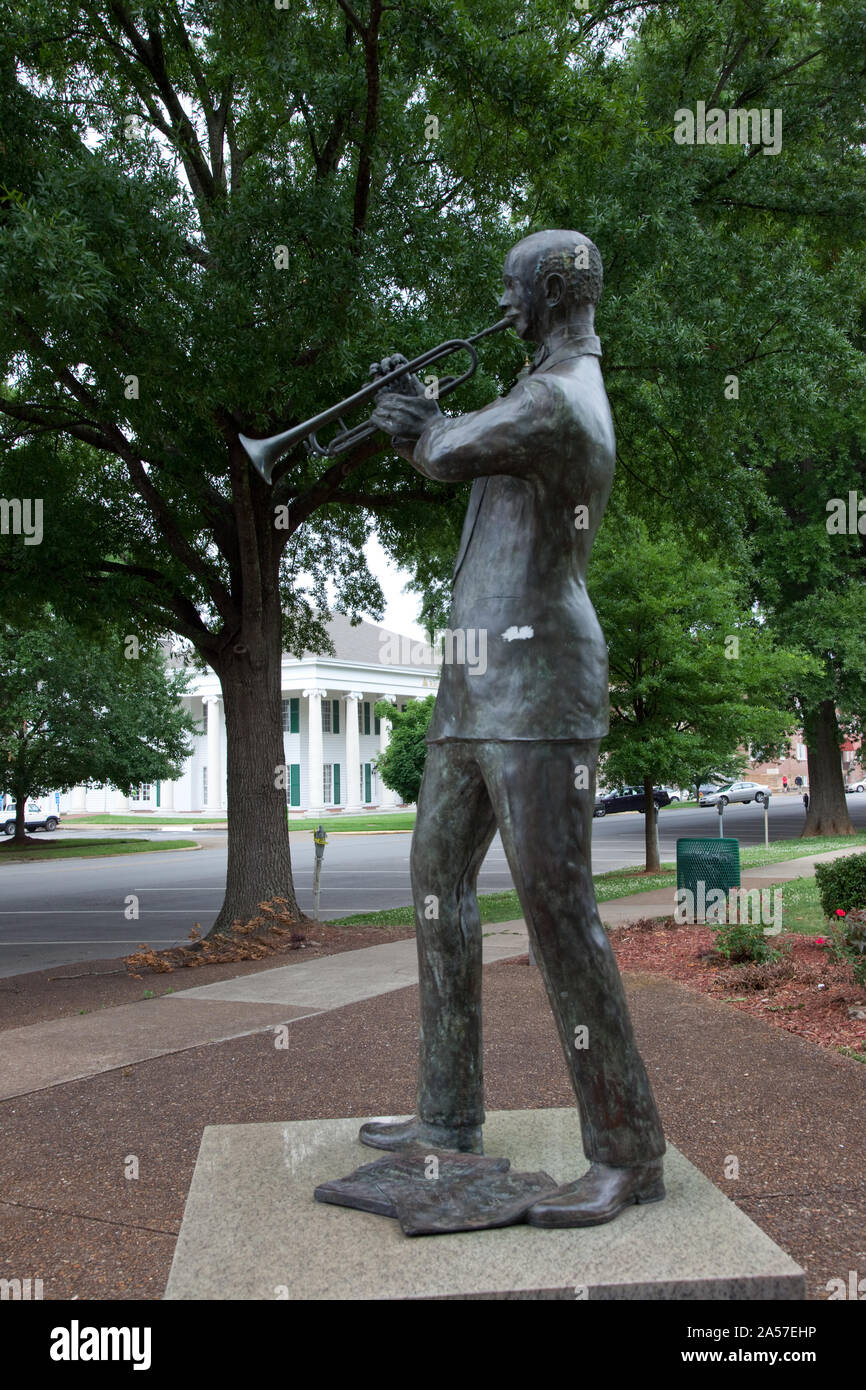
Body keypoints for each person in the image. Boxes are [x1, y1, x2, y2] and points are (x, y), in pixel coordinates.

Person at [360, 230, 666, 1228]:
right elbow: (465, 445)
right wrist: (427, 417)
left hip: (540, 685)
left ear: (543, 293)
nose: (499, 300)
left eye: (509, 286)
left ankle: (625, 1152)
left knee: (556, 914)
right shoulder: (525, 390)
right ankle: (445, 1120)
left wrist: (411, 419)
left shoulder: (559, 397)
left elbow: (445, 452)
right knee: (437, 882)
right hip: (472, 686)